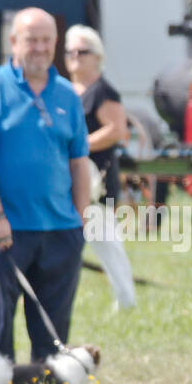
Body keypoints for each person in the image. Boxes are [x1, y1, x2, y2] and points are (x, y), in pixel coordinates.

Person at [0, 7, 90, 384]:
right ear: (13, 43)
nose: (39, 47)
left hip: (59, 232)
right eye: (30, 39)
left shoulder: (67, 94)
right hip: (5, 231)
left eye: (46, 39)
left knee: (52, 326)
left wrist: (79, 220)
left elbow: (79, 160)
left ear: (55, 44)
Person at [65, 24, 135, 310]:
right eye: (70, 51)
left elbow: (116, 131)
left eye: (83, 51)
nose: (75, 56)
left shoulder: (103, 91)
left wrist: (79, 144)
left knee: (107, 243)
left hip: (98, 180)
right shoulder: (66, 90)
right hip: (70, 178)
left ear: (97, 56)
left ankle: (126, 300)